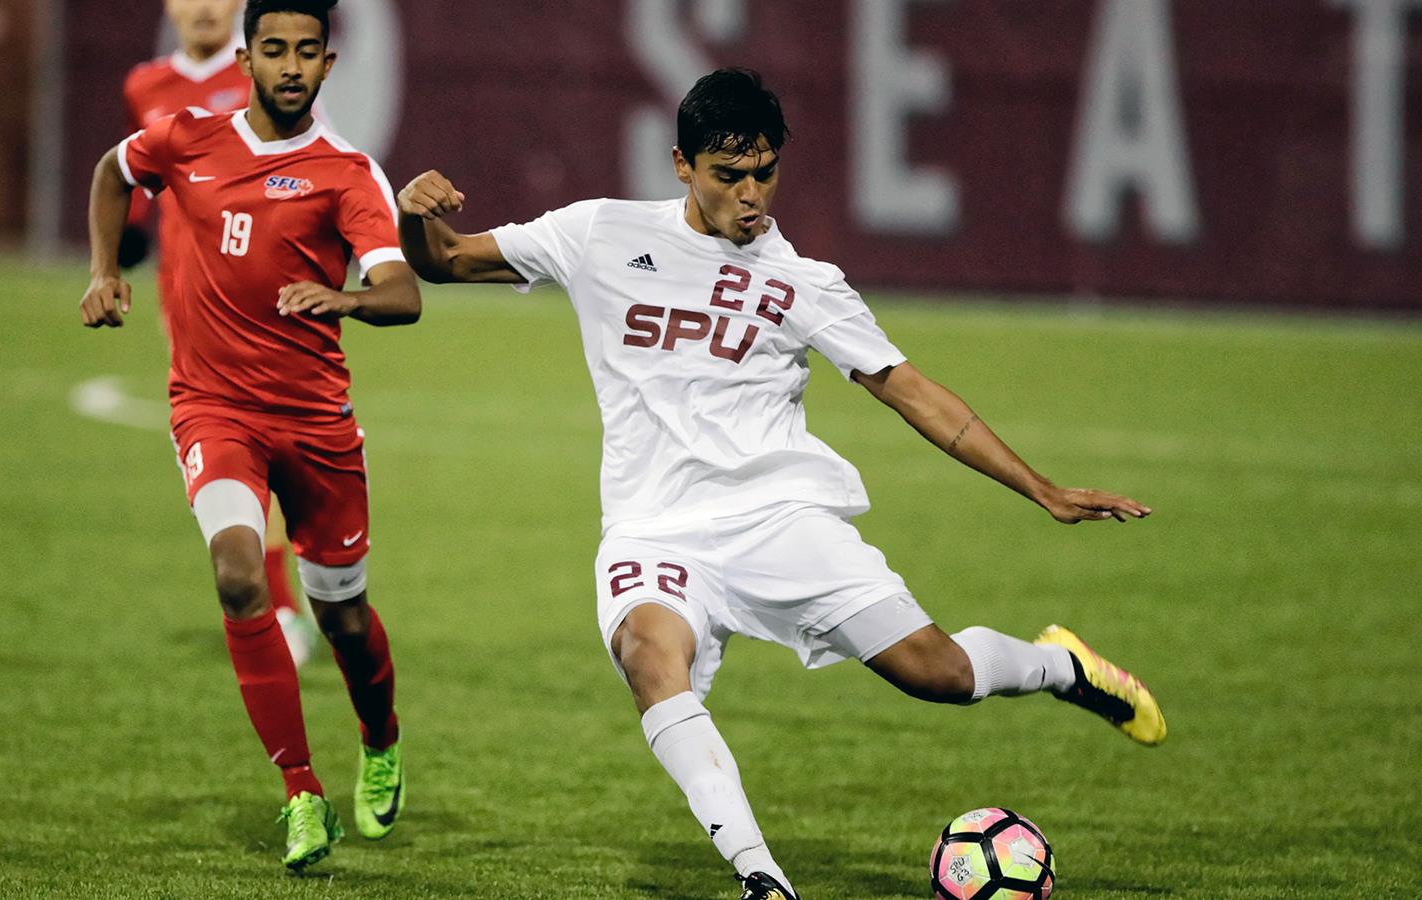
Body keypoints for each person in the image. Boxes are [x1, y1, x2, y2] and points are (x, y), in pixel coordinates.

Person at [396, 68, 1166, 900]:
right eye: (730, 175)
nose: (752, 193)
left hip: (779, 519)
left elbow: (916, 395)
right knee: (651, 658)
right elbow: (446, 263)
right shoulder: (599, 234)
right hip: (655, 529)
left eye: (765, 171)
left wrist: (1041, 488)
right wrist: (413, 219)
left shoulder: (804, 282)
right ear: (682, 165)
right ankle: (762, 878)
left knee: (938, 674)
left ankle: (1060, 668)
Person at [79, 0, 415, 871]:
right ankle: (302, 792)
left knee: (343, 617)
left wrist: (342, 298)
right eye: (275, 50)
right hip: (213, 407)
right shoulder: (187, 136)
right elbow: (114, 172)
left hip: (316, 425)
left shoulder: (346, 172)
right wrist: (106, 272)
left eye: (308, 52)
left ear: (328, 65)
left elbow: (401, 292)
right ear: (250, 56)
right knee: (237, 575)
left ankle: (379, 740)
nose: (292, 66)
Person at [121, 0, 318, 667]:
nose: (204, 7)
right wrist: (127, 239)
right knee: (231, 460)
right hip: (185, 300)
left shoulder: (266, 72)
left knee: (273, 452)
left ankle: (290, 605)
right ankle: (281, 604)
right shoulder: (146, 86)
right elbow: (139, 175)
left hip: (268, 299)